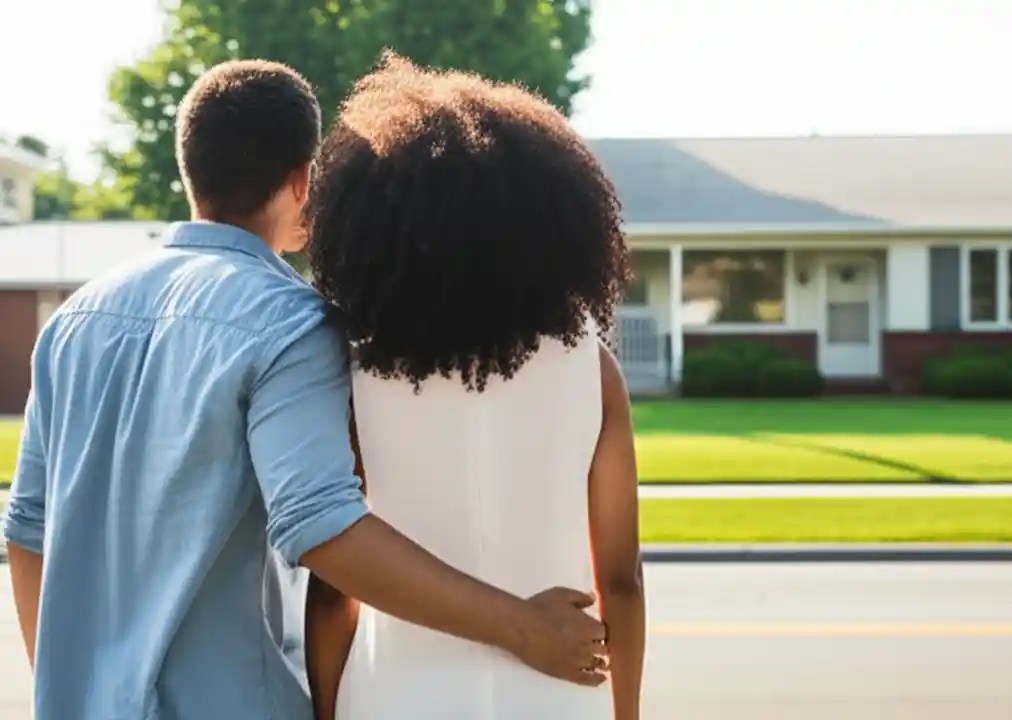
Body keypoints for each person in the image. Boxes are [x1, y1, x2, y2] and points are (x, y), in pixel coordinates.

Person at [3, 59, 607, 720]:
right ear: (302, 179)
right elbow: (319, 525)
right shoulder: (290, 321)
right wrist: (522, 625)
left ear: (189, 171)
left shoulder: (72, 323)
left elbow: (28, 533)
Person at [303, 55, 646, 720]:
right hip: (554, 697)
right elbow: (621, 582)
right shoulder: (591, 365)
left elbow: (333, 588)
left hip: (393, 697)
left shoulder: (357, 371)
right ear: (552, 220)